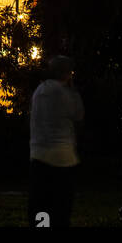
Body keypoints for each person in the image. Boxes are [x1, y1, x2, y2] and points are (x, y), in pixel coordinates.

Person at [28, 56, 84, 228]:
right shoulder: (66, 93)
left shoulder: (39, 91)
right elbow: (79, 115)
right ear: (67, 74)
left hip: (39, 154)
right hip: (64, 157)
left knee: (40, 205)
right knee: (61, 207)